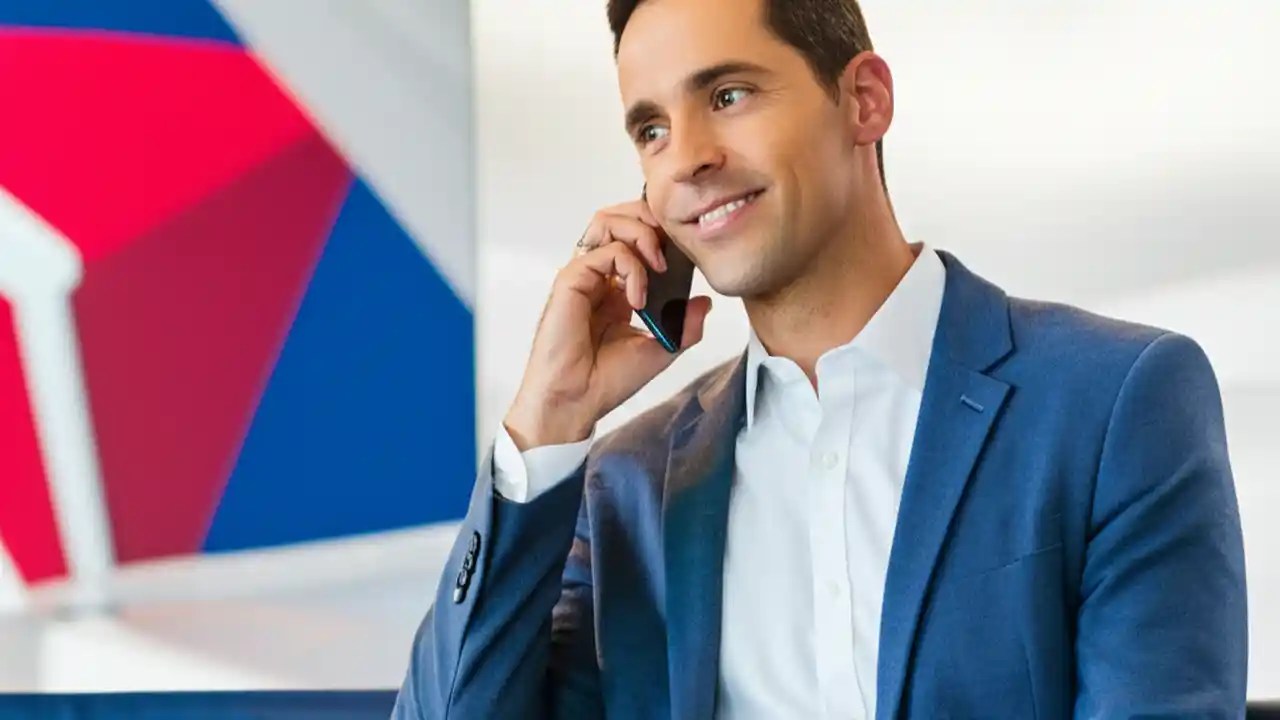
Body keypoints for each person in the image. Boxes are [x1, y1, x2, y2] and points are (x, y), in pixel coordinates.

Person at [392, 0, 1248, 716]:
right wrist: (546, 421)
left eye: (728, 95)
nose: (686, 159)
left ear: (864, 101)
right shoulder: (626, 488)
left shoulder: (1115, 403)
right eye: (651, 130)